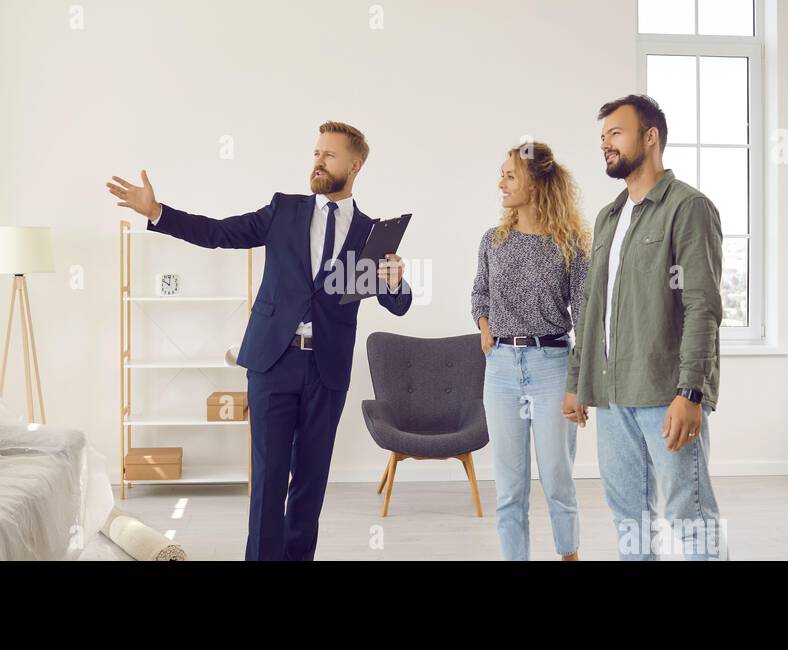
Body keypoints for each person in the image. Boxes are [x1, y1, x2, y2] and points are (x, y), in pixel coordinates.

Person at [107, 121, 413, 561]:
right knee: (268, 479)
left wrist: (396, 280)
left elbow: (395, 303)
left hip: (326, 370)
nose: (318, 161)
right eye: (315, 153)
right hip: (273, 361)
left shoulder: (371, 233)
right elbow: (219, 234)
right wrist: (158, 213)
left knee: (309, 482)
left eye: (328, 154)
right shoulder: (284, 210)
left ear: (355, 164)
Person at [563, 95, 728, 560]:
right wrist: (578, 382)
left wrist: (691, 392)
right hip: (613, 399)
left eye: (615, 133)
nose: (605, 145)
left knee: (689, 515)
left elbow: (703, 307)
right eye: (602, 137)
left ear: (650, 137)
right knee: (629, 518)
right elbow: (593, 305)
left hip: (665, 395)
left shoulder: (689, 208)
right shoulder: (608, 217)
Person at [472, 142, 590, 561]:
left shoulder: (572, 243)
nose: (500, 183)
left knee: (557, 478)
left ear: (535, 183)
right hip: (501, 368)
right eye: (502, 174)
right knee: (509, 486)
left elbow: (587, 313)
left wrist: (580, 386)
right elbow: (480, 295)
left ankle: (568, 554)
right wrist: (486, 329)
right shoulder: (493, 239)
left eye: (509, 175)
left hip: (553, 366)